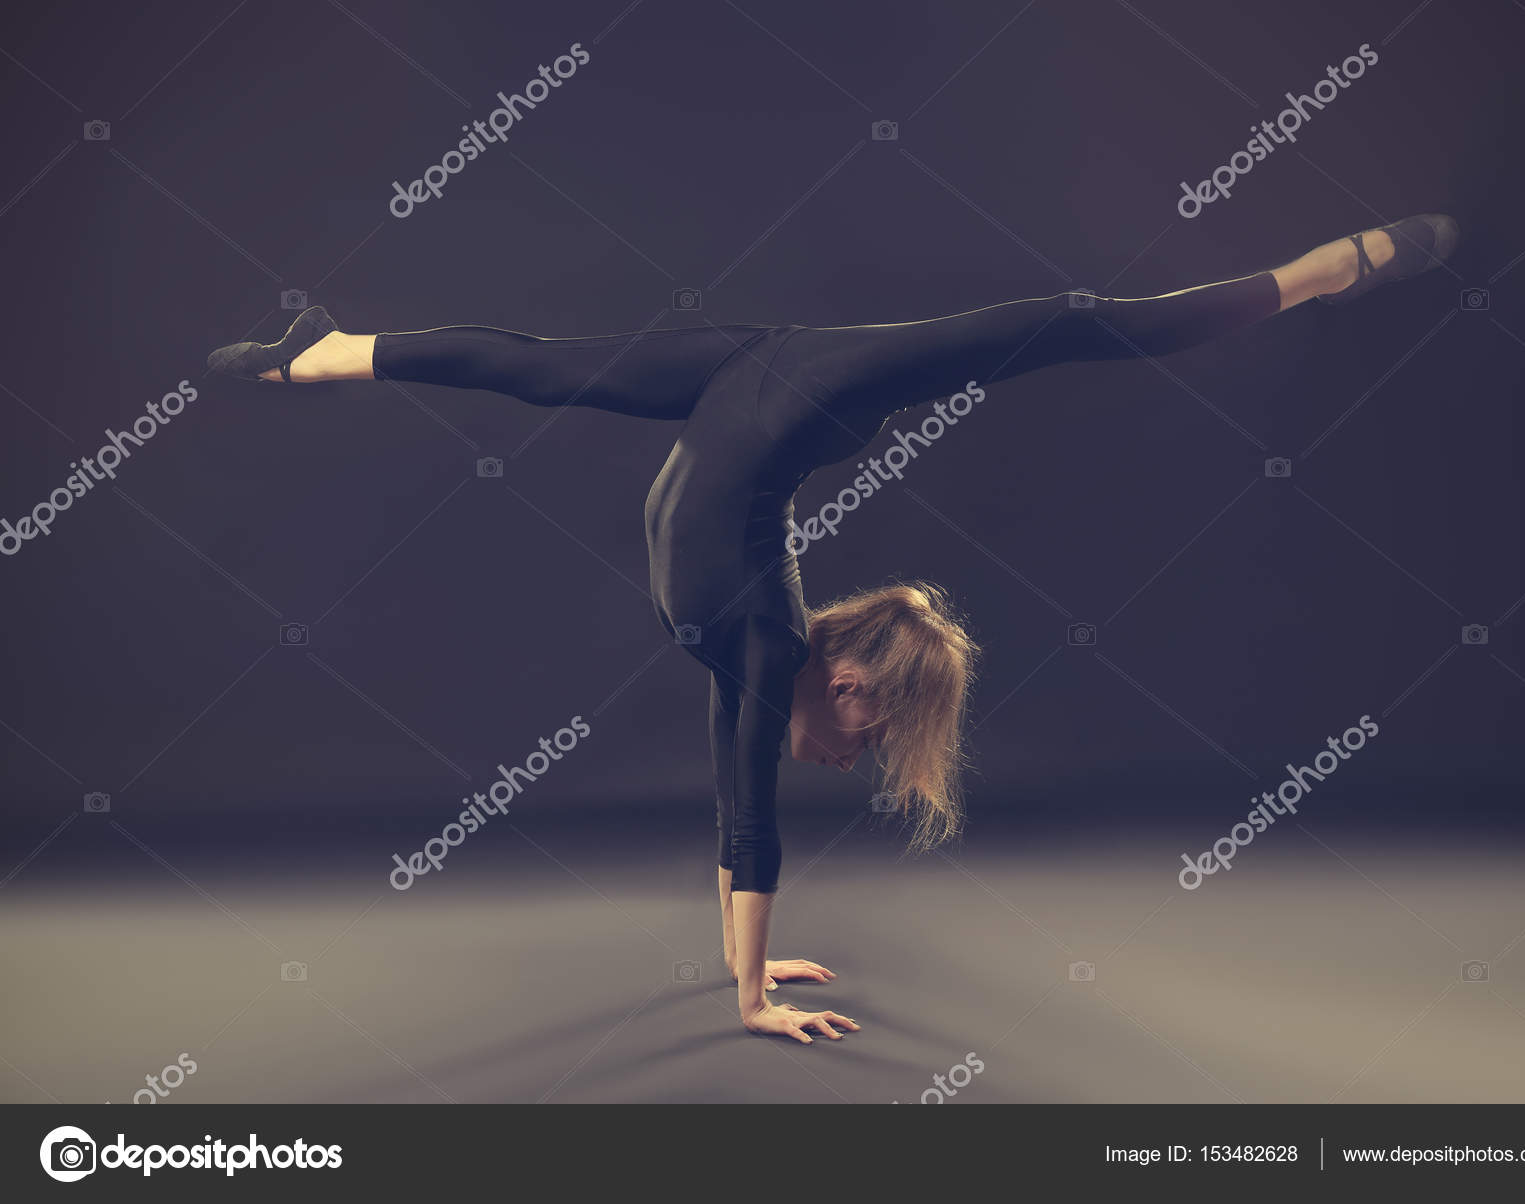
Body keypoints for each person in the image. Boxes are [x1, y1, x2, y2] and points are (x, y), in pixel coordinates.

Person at [209, 213, 1459, 1043]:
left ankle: (328, 354)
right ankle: (1317, 273)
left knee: (544, 365)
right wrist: (752, 1002)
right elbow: (750, 821)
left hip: (747, 373)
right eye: (867, 740)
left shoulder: (751, 654)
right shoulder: (760, 650)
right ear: (851, 682)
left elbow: (727, 810)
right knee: (1071, 322)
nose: (844, 758)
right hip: (809, 382)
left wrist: (750, 976)